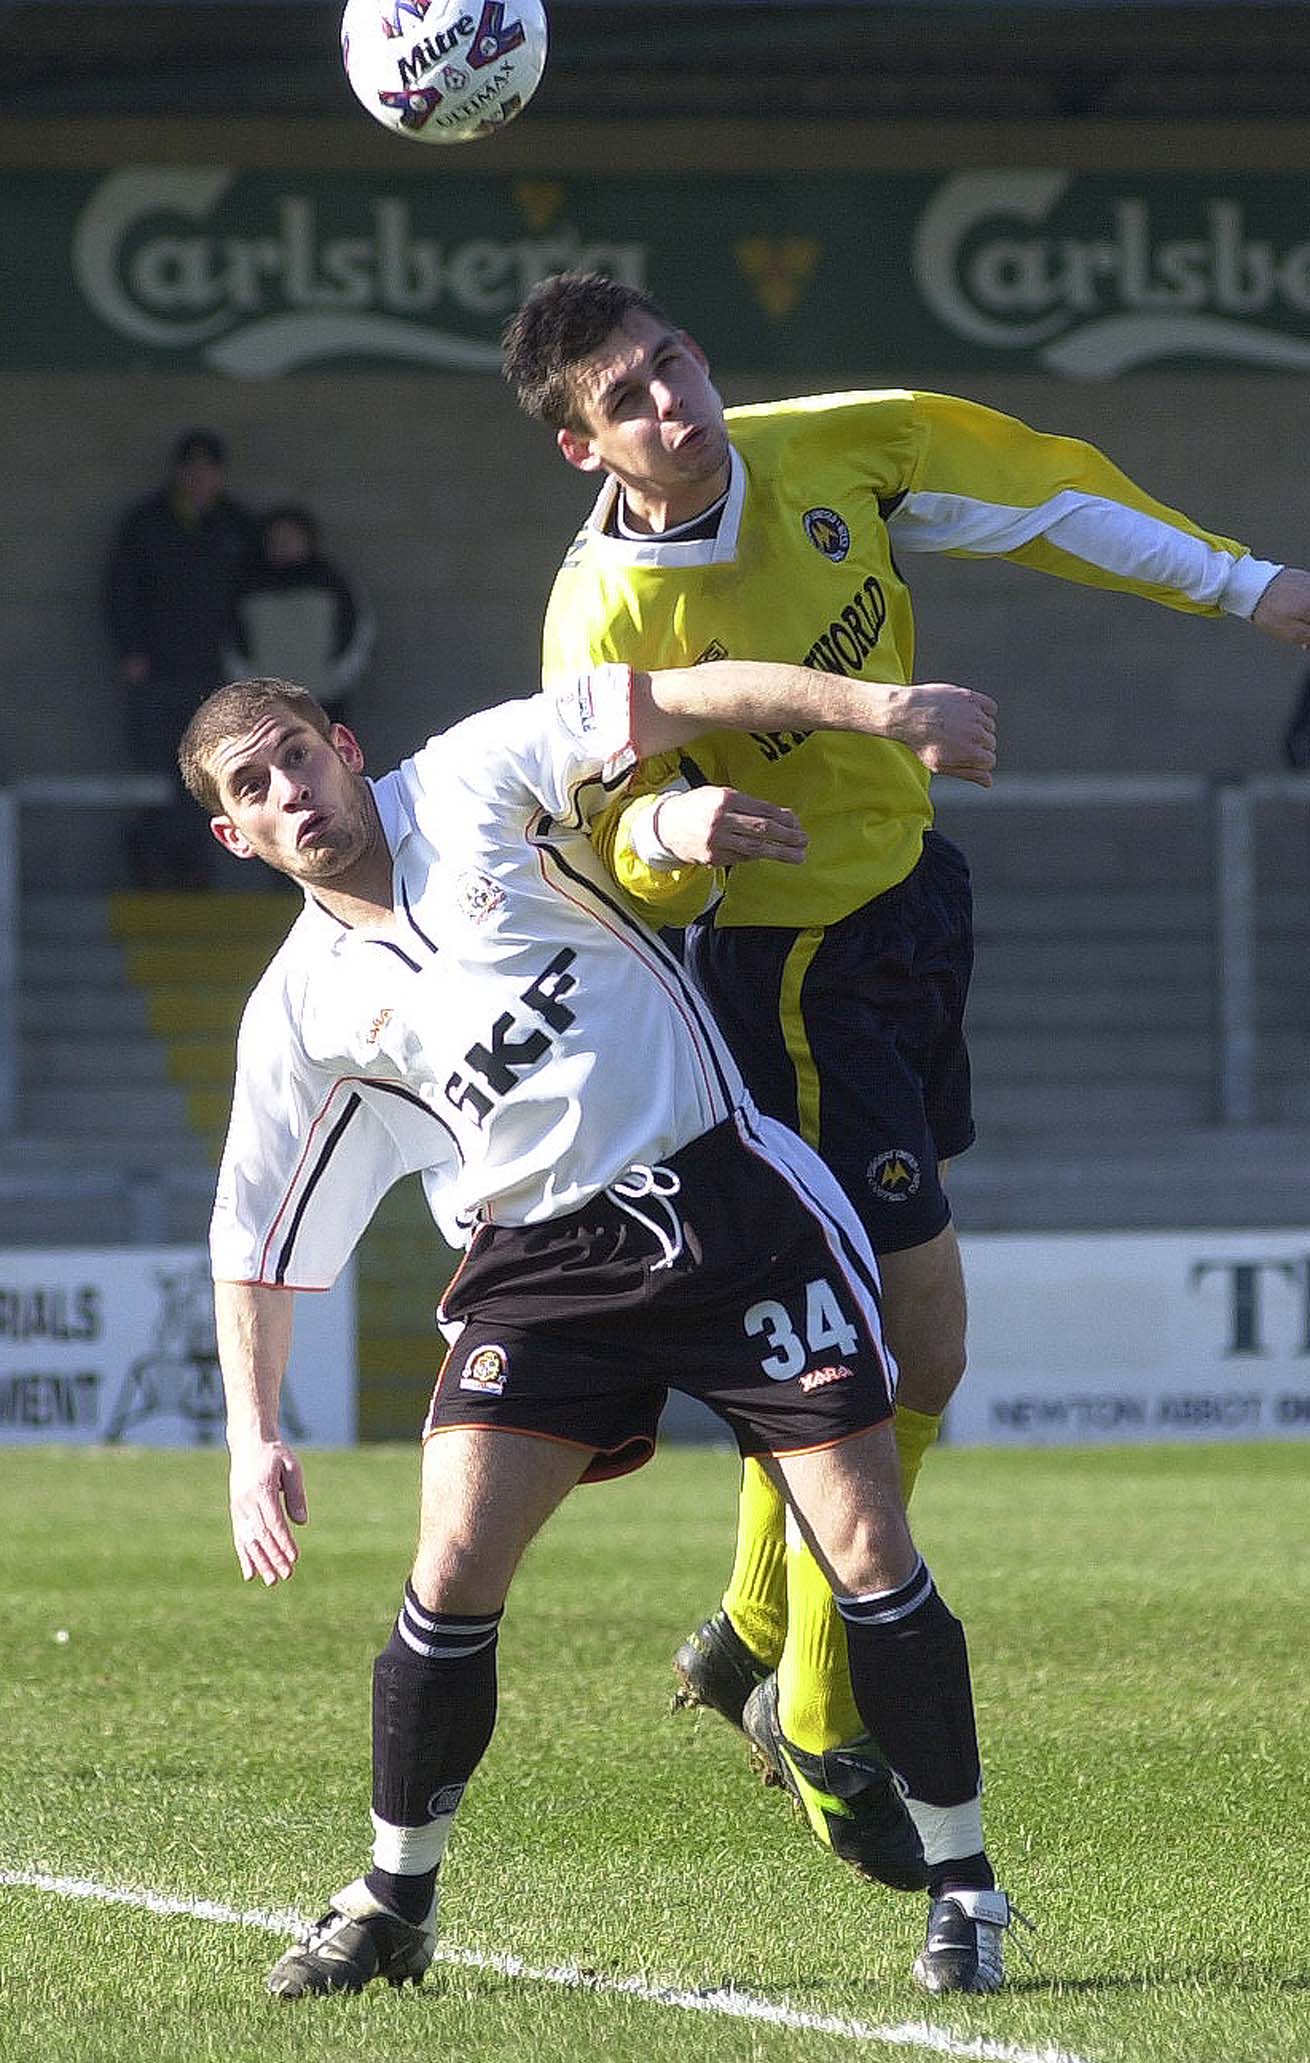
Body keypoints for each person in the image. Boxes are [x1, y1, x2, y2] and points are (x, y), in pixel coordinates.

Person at [502, 269, 1310, 1884]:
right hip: (785, 971)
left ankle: (744, 1626)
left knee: (858, 1332)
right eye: (633, 399)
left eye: (677, 361)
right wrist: (679, 828)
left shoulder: (832, 448)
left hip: (912, 907)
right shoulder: (606, 614)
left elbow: (1042, 484)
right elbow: (587, 833)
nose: (678, 402)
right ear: (587, 449)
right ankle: (815, 1709)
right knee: (910, 1343)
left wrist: (1254, 587)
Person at [178, 662, 1017, 2001]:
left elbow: (673, 691)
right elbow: (250, 1233)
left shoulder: (466, 775)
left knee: (865, 1544)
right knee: (448, 1563)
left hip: (722, 1197)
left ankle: (967, 1885)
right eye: (253, 788)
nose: (290, 792)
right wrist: (251, 1437)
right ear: (237, 834)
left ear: (344, 745)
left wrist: (881, 713)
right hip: (537, 1265)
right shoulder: (301, 1010)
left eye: (296, 757)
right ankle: (395, 1894)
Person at [103, 427, 257, 888]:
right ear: (177, 473)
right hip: (158, 671)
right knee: (156, 766)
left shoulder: (237, 525)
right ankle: (150, 863)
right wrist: (130, 651)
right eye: (190, 469)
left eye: (207, 469)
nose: (198, 478)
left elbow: (255, 597)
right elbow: (119, 591)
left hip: (217, 675)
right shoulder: (147, 521)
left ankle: (193, 867)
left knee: (207, 771)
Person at [225, 505, 375, 731]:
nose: (283, 544)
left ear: (307, 540)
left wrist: (338, 677)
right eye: (276, 538)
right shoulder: (246, 586)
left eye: (290, 537)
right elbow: (231, 639)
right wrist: (248, 684)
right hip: (266, 707)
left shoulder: (333, 581)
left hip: (325, 700)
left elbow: (360, 630)